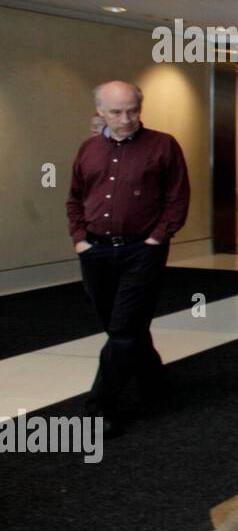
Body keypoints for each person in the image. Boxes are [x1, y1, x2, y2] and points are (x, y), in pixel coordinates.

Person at [66, 80, 190, 438]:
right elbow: (74, 197)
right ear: (100, 112)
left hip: (142, 251)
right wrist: (79, 240)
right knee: (121, 326)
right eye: (117, 112)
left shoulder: (163, 145)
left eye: (133, 110)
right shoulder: (89, 149)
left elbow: (177, 197)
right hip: (96, 250)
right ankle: (152, 378)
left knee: (123, 328)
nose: (126, 118)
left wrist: (157, 238)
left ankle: (100, 408)